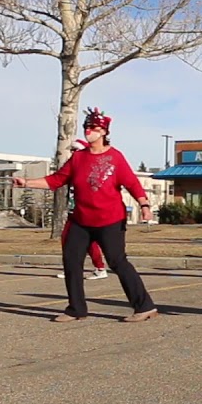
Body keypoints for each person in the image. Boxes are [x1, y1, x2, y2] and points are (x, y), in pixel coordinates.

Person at [13, 108, 159, 322]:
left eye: (92, 128)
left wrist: (144, 205)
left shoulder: (115, 157)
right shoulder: (78, 157)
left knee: (117, 261)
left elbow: (132, 183)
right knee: (71, 260)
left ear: (103, 132)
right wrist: (27, 183)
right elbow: (56, 180)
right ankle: (76, 309)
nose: (88, 131)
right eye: (86, 127)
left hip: (109, 220)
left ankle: (144, 306)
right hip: (80, 220)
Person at [56, 139, 108, 280]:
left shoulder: (86, 166)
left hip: (86, 212)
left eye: (75, 150)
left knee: (80, 241)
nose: (73, 153)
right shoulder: (73, 166)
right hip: (75, 211)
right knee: (73, 240)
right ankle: (95, 268)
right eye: (72, 150)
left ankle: (97, 268)